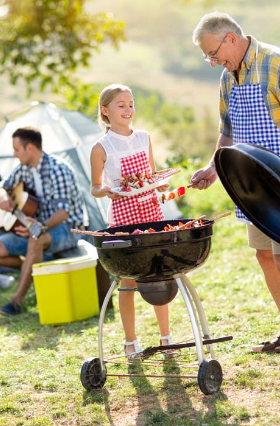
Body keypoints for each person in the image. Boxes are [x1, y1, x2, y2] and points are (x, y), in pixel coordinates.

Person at [190, 12, 280, 370]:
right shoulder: (228, 76)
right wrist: (214, 166)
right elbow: (227, 130)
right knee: (266, 258)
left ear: (229, 38)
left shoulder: (276, 63)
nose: (213, 62)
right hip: (252, 188)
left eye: (213, 53)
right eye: (207, 57)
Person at [90, 83, 173, 358]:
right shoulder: (101, 147)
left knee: (158, 274)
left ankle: (166, 337)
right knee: (128, 281)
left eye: (131, 104)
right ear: (106, 111)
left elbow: (149, 175)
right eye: (121, 105)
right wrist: (106, 191)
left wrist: (158, 184)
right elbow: (95, 187)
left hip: (150, 211)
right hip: (122, 217)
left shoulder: (143, 137)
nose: (128, 110)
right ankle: (130, 342)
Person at [0, 127, 85, 316]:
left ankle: (17, 300)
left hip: (67, 229)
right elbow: (1, 186)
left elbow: (63, 212)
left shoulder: (58, 169)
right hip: (36, 230)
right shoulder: (24, 168)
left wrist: (40, 226)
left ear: (30, 148)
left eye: (16, 149)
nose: (14, 154)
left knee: (36, 239)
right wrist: (2, 195)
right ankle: (37, 268)